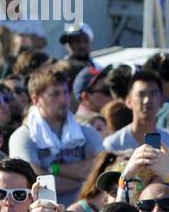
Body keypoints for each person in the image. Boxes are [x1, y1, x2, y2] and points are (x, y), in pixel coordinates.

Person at [8, 67, 104, 204]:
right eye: (55, 94)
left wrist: (54, 170)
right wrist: (87, 182)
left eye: (65, 92)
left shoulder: (87, 132)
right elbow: (34, 183)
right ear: (35, 99)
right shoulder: (23, 138)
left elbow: (104, 168)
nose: (63, 99)